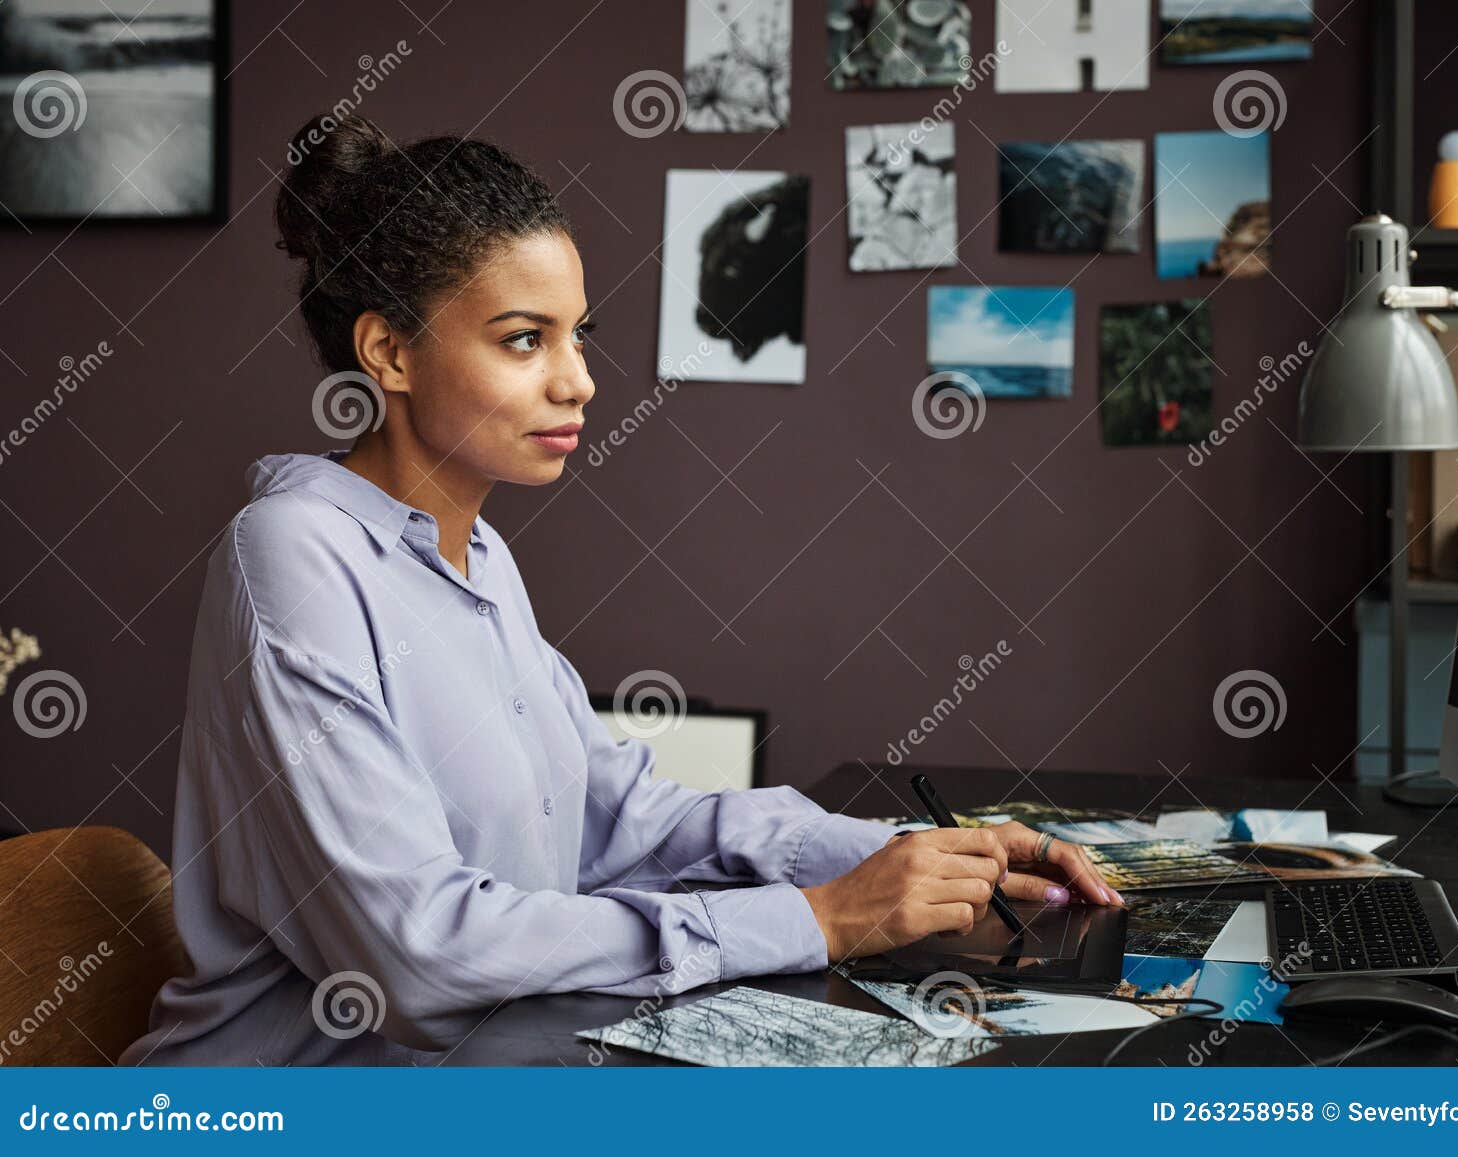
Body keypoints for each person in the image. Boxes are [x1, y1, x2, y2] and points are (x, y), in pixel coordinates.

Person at [119, 114, 1123, 1066]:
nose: (579, 380)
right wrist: (818, 918)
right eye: (525, 339)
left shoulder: (480, 558)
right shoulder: (291, 551)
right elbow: (418, 949)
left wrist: (915, 855)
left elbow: (619, 818)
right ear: (389, 352)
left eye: (578, 333)